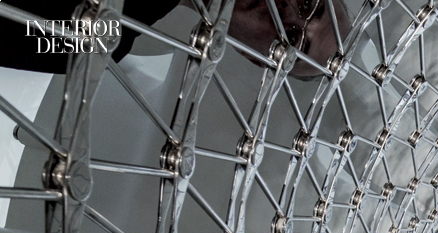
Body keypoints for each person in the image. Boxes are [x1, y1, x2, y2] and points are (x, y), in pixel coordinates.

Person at [0, 0, 347, 77]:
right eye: (307, 5)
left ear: (254, 56)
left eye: (293, 39)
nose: (287, 15)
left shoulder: (101, 40)